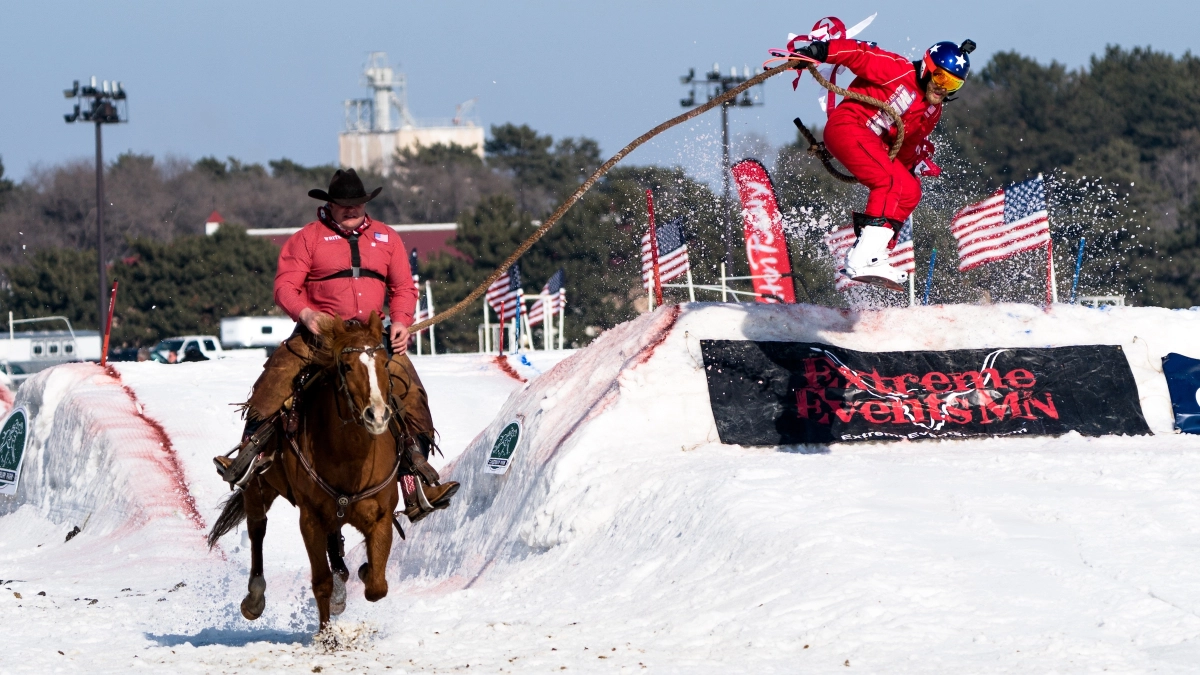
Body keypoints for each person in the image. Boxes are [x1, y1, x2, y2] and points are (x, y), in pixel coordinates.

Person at [214, 168, 457, 522]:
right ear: (329, 204)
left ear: (365, 203)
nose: (350, 209)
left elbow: (403, 288)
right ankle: (247, 456)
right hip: (321, 335)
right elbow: (285, 288)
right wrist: (305, 313)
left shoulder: (387, 239)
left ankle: (415, 486)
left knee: (411, 394)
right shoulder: (307, 239)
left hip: (371, 339)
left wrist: (401, 320)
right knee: (276, 376)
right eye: (343, 204)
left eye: (356, 203)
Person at [795, 38, 975, 289]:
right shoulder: (898, 71)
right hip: (849, 127)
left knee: (910, 190)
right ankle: (861, 259)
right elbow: (860, 54)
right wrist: (819, 51)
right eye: (941, 77)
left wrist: (910, 169)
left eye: (954, 83)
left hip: (871, 145)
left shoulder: (932, 112)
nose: (944, 87)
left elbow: (907, 146)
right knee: (887, 182)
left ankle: (876, 253)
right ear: (926, 67)